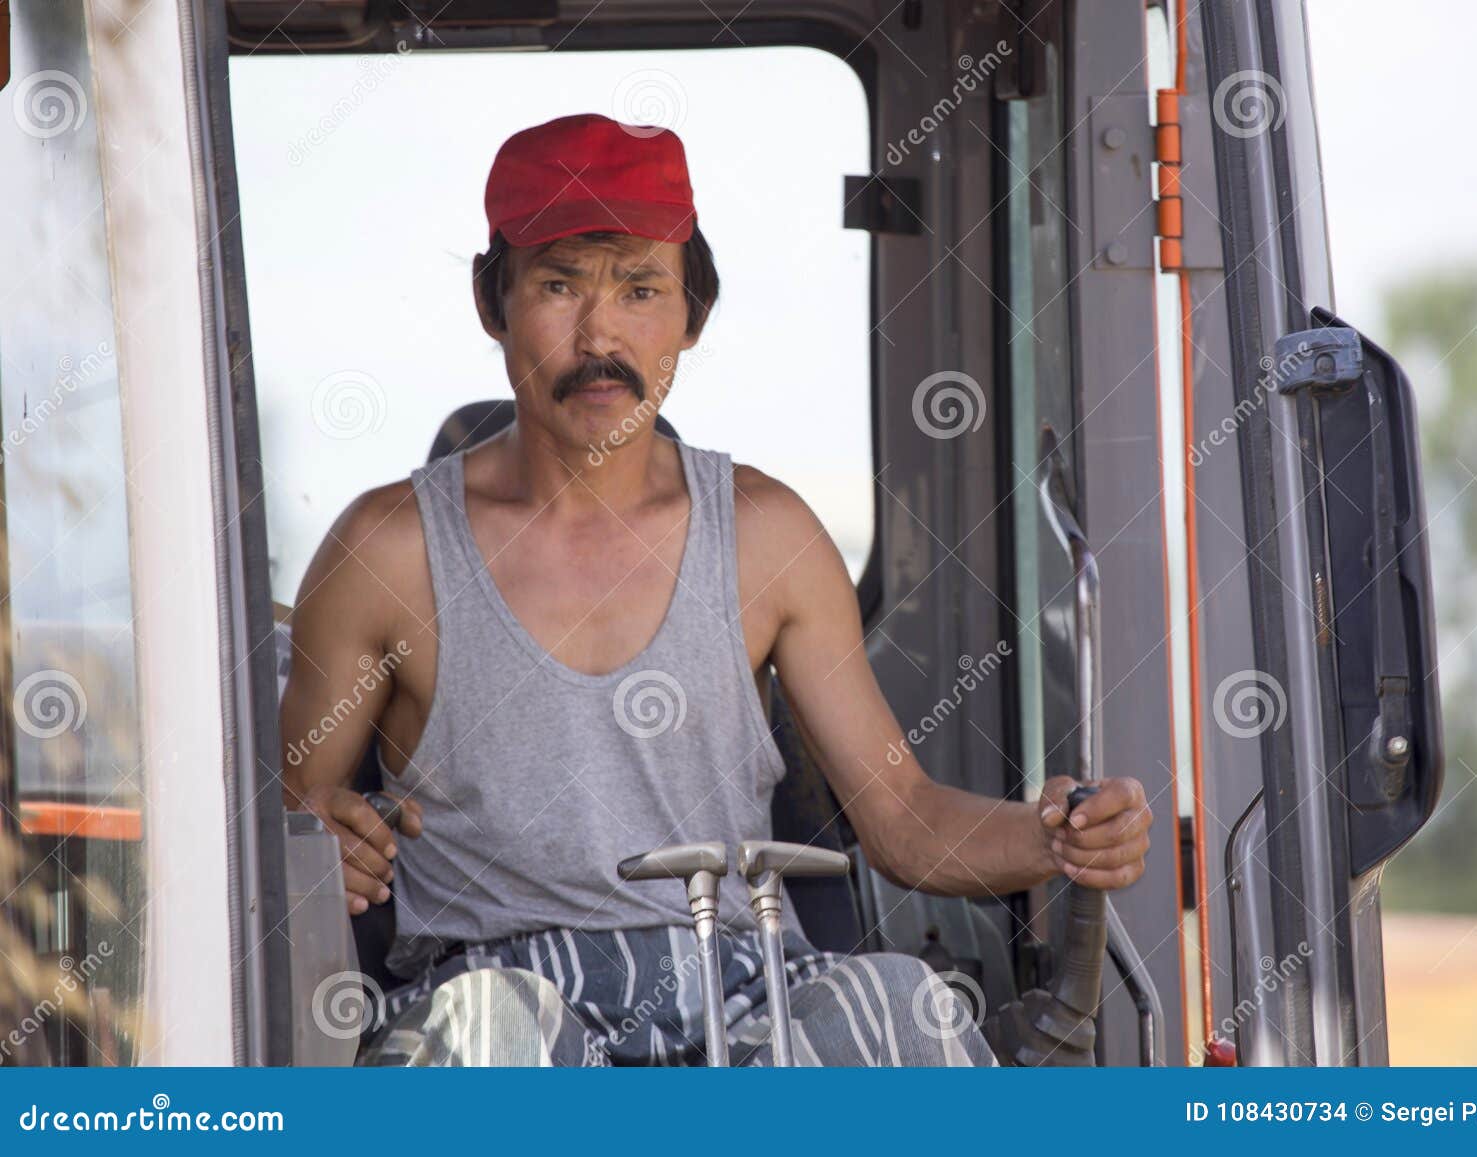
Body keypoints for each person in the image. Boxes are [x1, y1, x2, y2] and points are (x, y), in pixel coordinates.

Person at [279, 113, 1153, 1066]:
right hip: (496, 995)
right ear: (494, 303)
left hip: (740, 993)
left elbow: (904, 823)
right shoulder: (386, 550)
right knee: (491, 1036)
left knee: (902, 1004)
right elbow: (278, 826)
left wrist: (1060, 836)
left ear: (691, 316)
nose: (600, 333)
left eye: (641, 289)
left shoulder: (768, 536)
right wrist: (313, 840)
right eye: (559, 284)